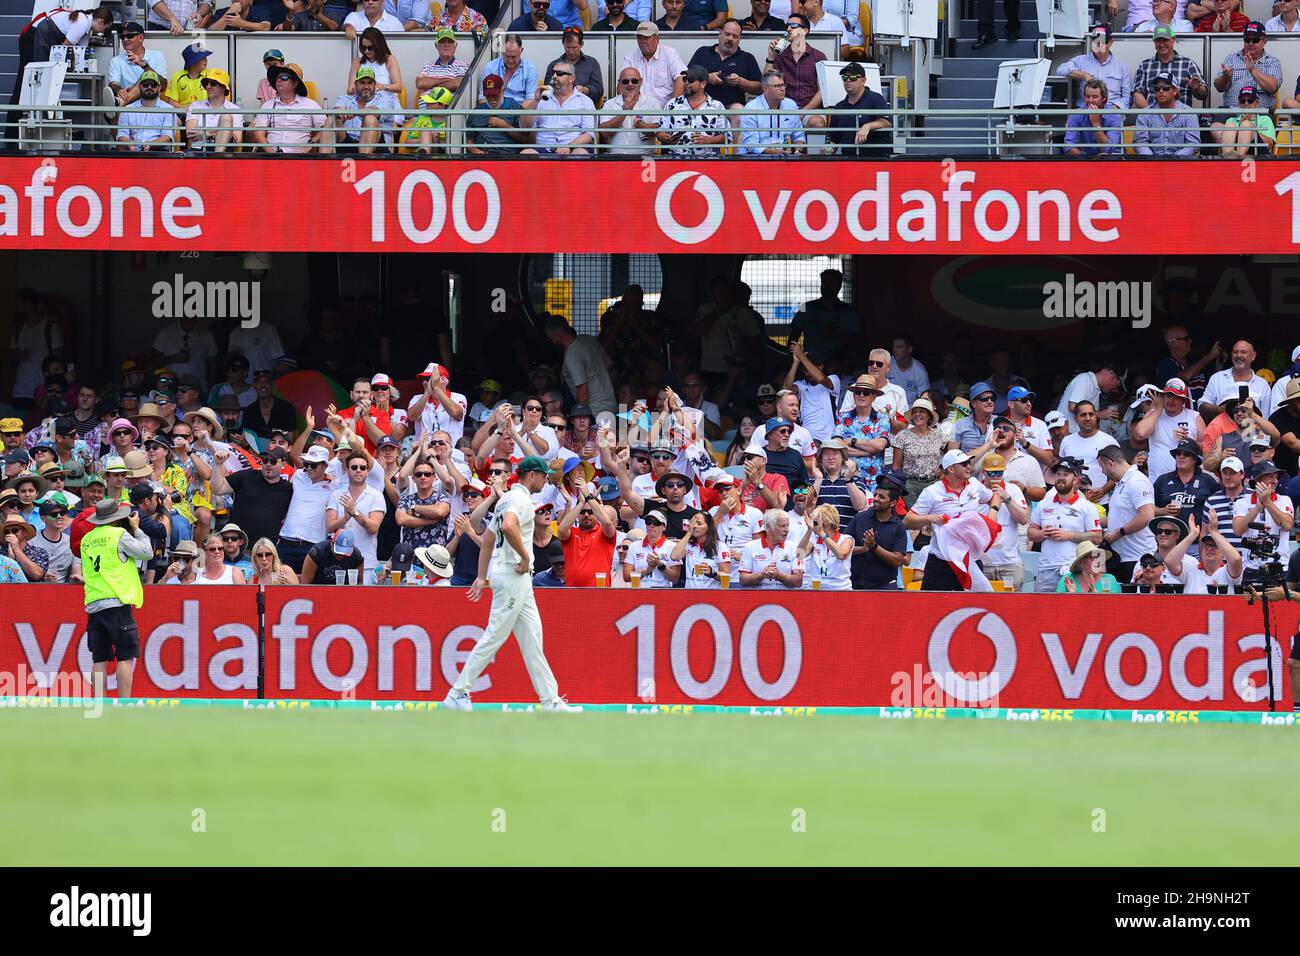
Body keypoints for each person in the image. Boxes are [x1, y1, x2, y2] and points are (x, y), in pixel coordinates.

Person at [443, 457, 579, 712]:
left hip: (514, 577)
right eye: (543, 475)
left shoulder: (506, 499)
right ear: (532, 475)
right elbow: (507, 526)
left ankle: (550, 701)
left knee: (532, 640)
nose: (546, 479)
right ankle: (458, 693)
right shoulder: (521, 500)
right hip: (514, 574)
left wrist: (482, 576)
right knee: (494, 635)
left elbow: (489, 539)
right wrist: (526, 557)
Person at [80, 498, 152, 698]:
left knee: (99, 659)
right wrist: (137, 529)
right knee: (125, 656)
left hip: (94, 603)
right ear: (116, 519)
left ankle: (100, 704)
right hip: (117, 601)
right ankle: (124, 705)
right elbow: (147, 553)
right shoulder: (118, 534)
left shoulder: (86, 540)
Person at [1027, 458, 1102, 593]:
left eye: (1066, 474)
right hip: (1046, 570)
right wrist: (1042, 534)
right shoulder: (1044, 504)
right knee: (1043, 612)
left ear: (1076, 479)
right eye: (1058, 474)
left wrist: (1069, 535)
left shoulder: (1086, 506)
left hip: (1075, 570)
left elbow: (1097, 537)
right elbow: (1031, 532)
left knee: (1074, 612)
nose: (1061, 478)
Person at [1210, 21, 1282, 147]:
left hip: (1260, 113)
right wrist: (1225, 77)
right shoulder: (1231, 58)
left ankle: (1235, 146)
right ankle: (1231, 152)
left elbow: (1273, 87)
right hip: (1231, 111)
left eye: (1255, 40)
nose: (1250, 43)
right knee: (1215, 127)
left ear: (1264, 41)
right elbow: (1218, 87)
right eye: (1247, 39)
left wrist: (1252, 69)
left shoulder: (1272, 62)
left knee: (1259, 139)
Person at [1097, 445, 1157, 581]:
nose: (1102, 472)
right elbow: (1122, 515)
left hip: (1137, 557)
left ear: (1110, 463)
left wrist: (1119, 532)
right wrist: (1095, 523)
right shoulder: (1121, 483)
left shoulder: (1137, 481)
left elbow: (1147, 515)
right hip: (1121, 556)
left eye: (1102, 467)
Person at [1232, 462, 1294, 579]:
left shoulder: (1285, 500)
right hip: (1250, 569)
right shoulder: (1242, 502)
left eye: (1276, 477)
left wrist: (1268, 503)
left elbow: (1287, 525)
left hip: (1279, 569)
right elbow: (1238, 530)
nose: (1275, 481)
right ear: (1258, 481)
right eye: (1271, 476)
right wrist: (1257, 508)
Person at [544, 316, 616, 416]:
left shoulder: (571, 355)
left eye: (550, 338)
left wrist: (579, 416)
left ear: (556, 335)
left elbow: (583, 393)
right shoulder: (588, 339)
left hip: (595, 411)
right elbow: (608, 364)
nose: (551, 341)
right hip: (610, 404)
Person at [978, 453, 1029, 591]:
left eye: (999, 473)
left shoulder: (1013, 490)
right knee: (981, 605)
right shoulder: (975, 490)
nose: (996, 477)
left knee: (1011, 608)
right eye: (992, 473)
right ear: (984, 472)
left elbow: (1023, 519)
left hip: (1009, 563)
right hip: (983, 562)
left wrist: (1007, 498)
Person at [766, 15, 827, 128]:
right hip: (784, 109)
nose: (788, 29)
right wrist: (771, 58)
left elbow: (822, 91)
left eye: (793, 26)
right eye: (787, 26)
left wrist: (803, 112)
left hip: (810, 110)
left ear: (805, 31)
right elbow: (767, 84)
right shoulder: (780, 56)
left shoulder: (818, 56)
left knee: (817, 122)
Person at [251, 64, 326, 154]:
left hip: (301, 158)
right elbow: (259, 133)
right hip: (273, 157)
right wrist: (270, 152)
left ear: (295, 83)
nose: (279, 80)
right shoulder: (267, 106)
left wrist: (312, 143)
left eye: (284, 77)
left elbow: (326, 128)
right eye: (277, 77)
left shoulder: (310, 105)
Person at [1163, 511, 1244, 595]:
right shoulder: (1191, 569)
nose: (1209, 549)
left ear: (1224, 552)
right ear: (1201, 550)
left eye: (1214, 546)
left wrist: (1213, 532)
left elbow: (1236, 559)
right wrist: (1192, 535)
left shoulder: (1227, 571)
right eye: (1206, 545)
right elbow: (1169, 561)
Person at [848, 478, 908, 590]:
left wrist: (874, 547)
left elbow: (897, 560)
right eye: (875, 494)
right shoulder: (860, 518)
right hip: (854, 585)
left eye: (881, 497)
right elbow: (843, 547)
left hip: (885, 588)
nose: (875, 498)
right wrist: (864, 549)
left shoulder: (899, 527)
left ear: (893, 503)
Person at [657, 64, 729, 157]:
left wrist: (708, 140)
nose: (686, 83)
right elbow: (659, 131)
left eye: (691, 80)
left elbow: (726, 136)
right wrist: (665, 138)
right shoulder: (672, 104)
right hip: (676, 160)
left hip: (708, 161)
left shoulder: (717, 106)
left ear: (703, 84)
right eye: (684, 79)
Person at [1056, 24, 1133, 110]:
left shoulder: (1122, 66)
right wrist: (1085, 76)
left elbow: (1127, 98)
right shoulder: (1081, 60)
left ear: (1110, 42)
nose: (1097, 45)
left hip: (1112, 109)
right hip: (1085, 109)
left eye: (1101, 42)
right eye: (1095, 41)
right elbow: (1061, 69)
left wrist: (1113, 110)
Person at [1132, 26, 1209, 109]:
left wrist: (1197, 87)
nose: (1161, 44)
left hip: (1182, 118)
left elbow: (1204, 94)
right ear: (1154, 42)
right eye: (1158, 40)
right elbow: (1137, 94)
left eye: (1165, 40)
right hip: (1151, 118)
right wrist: (1152, 115)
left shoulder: (1188, 64)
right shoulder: (1145, 65)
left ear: (1173, 40)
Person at [1133, 71, 1201, 156]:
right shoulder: (1145, 114)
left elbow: (1193, 144)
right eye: (1157, 88)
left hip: (1180, 163)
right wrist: (1152, 160)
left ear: (1175, 91)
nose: (1161, 91)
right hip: (1152, 164)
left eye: (1165, 88)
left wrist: (1174, 159)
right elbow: (1140, 143)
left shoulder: (1189, 113)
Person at [597, 67, 662, 155]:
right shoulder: (610, 104)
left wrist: (643, 126)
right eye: (625, 81)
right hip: (615, 158)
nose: (630, 84)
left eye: (634, 81)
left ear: (641, 82)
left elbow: (658, 130)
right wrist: (624, 113)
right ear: (619, 83)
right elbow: (604, 132)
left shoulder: (652, 103)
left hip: (645, 159)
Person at [739, 72, 807, 155]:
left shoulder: (791, 105)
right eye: (777, 86)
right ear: (766, 88)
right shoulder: (751, 108)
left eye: (783, 85)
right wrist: (775, 153)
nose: (782, 89)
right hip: (757, 158)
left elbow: (799, 136)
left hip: (785, 157)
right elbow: (751, 144)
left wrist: (797, 152)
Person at [737, 509, 804, 589]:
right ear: (768, 526)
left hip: (785, 599)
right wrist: (761, 575)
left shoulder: (795, 547)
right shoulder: (750, 546)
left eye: (788, 525)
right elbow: (743, 580)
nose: (787, 530)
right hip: (758, 599)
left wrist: (779, 575)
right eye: (782, 526)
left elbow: (798, 581)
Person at [623, 22, 686, 103]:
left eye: (646, 38)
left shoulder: (670, 54)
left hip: (664, 111)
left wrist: (670, 109)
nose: (642, 41)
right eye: (639, 38)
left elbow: (682, 78)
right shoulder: (630, 57)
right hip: (636, 110)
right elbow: (622, 85)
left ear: (656, 39)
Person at [116, 71, 175, 151]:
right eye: (145, 84)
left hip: (158, 152)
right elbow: (122, 134)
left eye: (153, 85)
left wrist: (152, 144)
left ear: (159, 88)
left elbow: (168, 136)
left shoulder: (168, 109)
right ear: (140, 86)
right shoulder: (127, 109)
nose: (149, 87)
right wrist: (128, 144)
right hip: (133, 152)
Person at [670, 511, 731, 589]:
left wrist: (712, 573)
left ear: (708, 526)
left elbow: (726, 576)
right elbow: (674, 557)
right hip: (690, 595)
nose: (694, 526)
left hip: (711, 596)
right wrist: (688, 533)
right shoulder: (689, 544)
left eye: (699, 523)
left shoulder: (721, 547)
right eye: (692, 523)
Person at [185, 68, 242, 152]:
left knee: (226, 117)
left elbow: (237, 138)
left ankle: (217, 159)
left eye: (213, 84)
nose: (208, 86)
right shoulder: (195, 105)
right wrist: (221, 133)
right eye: (206, 83)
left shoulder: (235, 109)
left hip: (225, 152)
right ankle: (217, 160)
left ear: (223, 88)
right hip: (198, 150)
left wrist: (205, 134)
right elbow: (191, 133)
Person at [1063, 79, 1123, 157]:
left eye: (1094, 97)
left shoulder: (1114, 115)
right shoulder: (1076, 114)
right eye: (1088, 97)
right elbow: (1068, 148)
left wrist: (1096, 124)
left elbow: (1107, 150)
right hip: (1085, 161)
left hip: (1110, 160)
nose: (1090, 100)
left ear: (1104, 98)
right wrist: (1088, 160)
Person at [623, 509, 680, 587]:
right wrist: (646, 571)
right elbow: (626, 576)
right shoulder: (634, 546)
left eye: (656, 522)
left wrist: (660, 565)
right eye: (648, 522)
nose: (651, 525)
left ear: (664, 527)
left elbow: (675, 578)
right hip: (639, 593)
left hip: (662, 594)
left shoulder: (673, 546)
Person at [1218, 85, 1276, 157]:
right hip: (1234, 152)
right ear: (1239, 104)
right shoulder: (1231, 120)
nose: (1246, 103)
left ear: (1257, 103)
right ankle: (1229, 158)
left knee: (1246, 125)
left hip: (1259, 154)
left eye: (1250, 101)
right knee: (1230, 125)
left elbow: (1269, 145)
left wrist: (1253, 130)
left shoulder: (1265, 119)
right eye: (1242, 101)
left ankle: (1239, 158)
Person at [1056, 542, 1122, 594]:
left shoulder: (1109, 579)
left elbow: (1114, 608)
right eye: (1094, 557)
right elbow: (1058, 608)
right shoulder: (1067, 580)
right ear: (1082, 562)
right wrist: (1071, 596)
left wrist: (1095, 597)